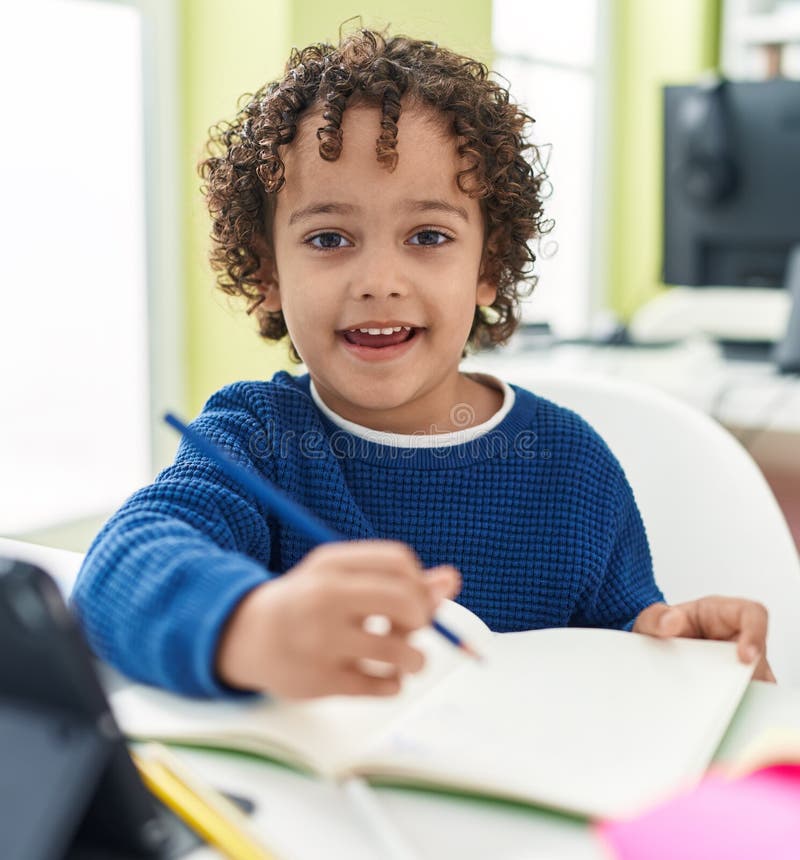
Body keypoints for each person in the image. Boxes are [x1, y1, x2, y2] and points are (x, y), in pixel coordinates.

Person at [72, 29, 774, 699]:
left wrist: (671, 644)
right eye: (328, 238)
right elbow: (117, 570)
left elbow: (623, 645)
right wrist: (248, 624)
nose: (379, 279)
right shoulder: (256, 439)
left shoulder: (570, 468)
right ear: (268, 273)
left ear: (487, 268)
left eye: (429, 235)